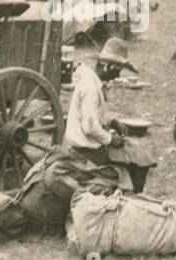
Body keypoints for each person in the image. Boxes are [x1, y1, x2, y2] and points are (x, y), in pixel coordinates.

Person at [64, 37, 155, 192]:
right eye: (117, 70)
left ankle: (130, 193)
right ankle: (132, 196)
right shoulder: (90, 87)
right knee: (140, 160)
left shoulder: (92, 83)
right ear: (107, 67)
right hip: (87, 152)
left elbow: (91, 118)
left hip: (89, 145)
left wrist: (111, 122)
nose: (117, 75)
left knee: (137, 152)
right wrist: (111, 139)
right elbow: (90, 128)